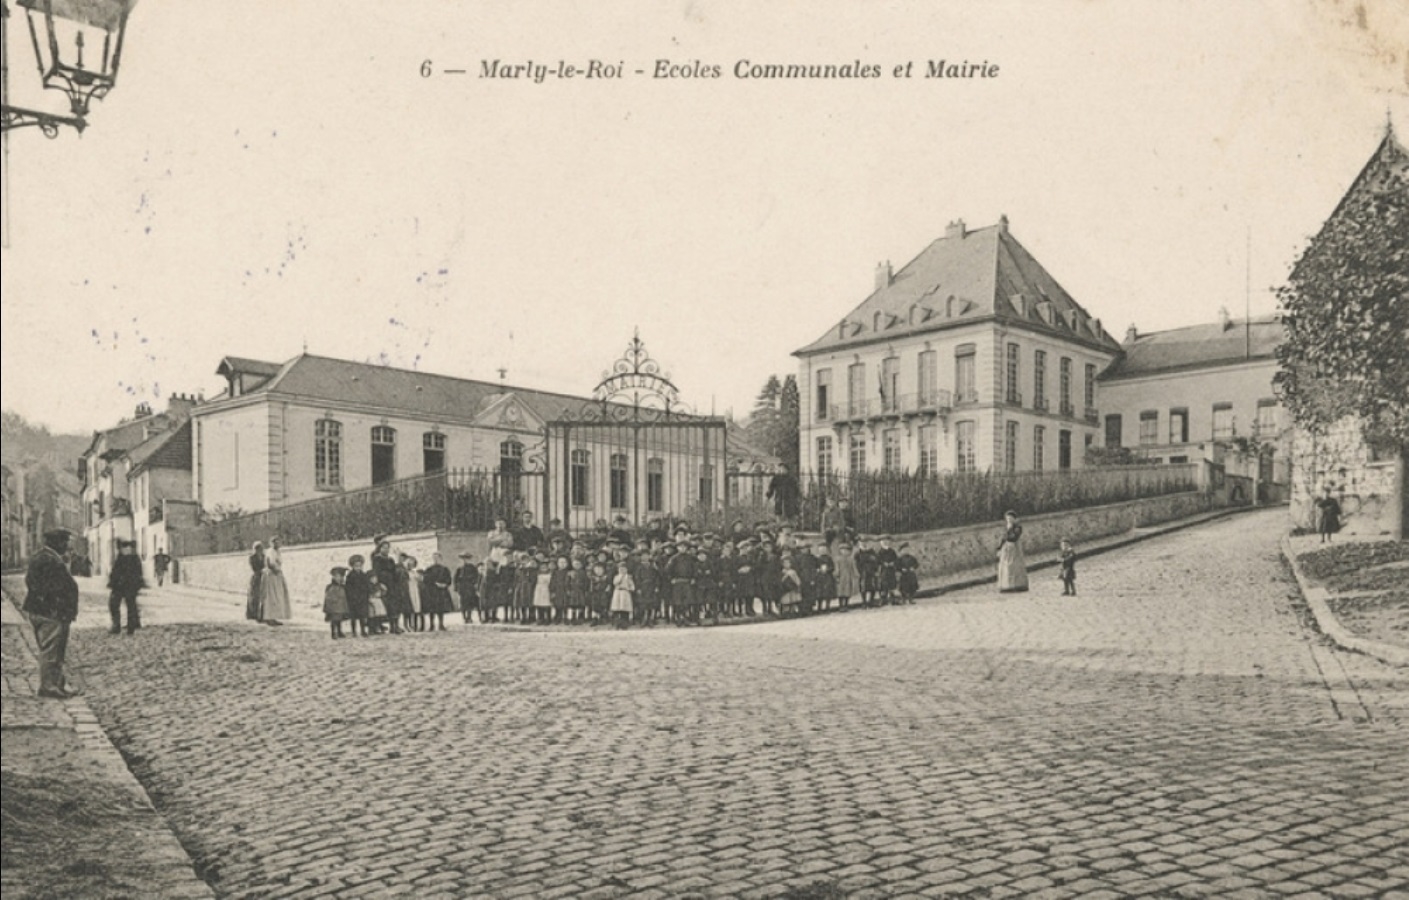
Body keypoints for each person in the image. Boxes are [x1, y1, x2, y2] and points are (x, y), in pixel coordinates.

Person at [24, 529, 80, 699]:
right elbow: (43, 586)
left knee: (56, 650)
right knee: (51, 650)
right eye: (64, 542)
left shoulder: (47, 557)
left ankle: (57, 684)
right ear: (56, 542)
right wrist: (54, 606)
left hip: (53, 612)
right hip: (50, 613)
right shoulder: (47, 559)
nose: (67, 545)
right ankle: (48, 686)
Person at [107, 540, 146, 635]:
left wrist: (112, 581)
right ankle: (131, 627)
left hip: (120, 585)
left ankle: (116, 626)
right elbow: (139, 572)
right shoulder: (135, 557)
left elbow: (116, 571)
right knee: (131, 605)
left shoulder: (121, 557)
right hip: (130, 585)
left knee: (114, 604)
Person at [261, 537, 293, 625]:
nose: (278, 544)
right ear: (271, 543)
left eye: (279, 542)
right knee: (271, 596)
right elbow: (270, 563)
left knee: (277, 596)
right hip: (271, 575)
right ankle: (269, 617)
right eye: (275, 542)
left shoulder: (278, 552)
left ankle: (274, 617)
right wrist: (276, 571)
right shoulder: (270, 551)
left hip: (277, 575)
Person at [997, 510, 1029, 593]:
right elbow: (1003, 538)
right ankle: (1006, 585)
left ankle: (1017, 585)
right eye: (1007, 519)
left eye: (1011, 518)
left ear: (1015, 519)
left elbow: (1014, 537)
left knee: (1015, 566)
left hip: (1015, 547)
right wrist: (999, 548)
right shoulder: (1006, 527)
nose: (1009, 520)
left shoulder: (1018, 527)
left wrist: (1010, 529)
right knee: (1005, 567)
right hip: (1006, 548)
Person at [421, 552, 454, 631]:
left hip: (441, 591)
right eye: (434, 558)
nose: (436, 559)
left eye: (437, 558)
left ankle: (441, 624)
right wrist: (434, 583)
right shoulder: (429, 569)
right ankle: (431, 625)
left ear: (440, 559)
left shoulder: (445, 569)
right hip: (432, 592)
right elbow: (425, 580)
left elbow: (449, 580)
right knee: (431, 609)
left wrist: (444, 584)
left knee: (441, 608)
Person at [345, 555, 372, 636]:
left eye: (360, 566)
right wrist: (351, 597)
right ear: (353, 566)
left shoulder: (363, 575)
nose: (358, 567)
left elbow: (367, 585)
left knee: (362, 616)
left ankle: (363, 630)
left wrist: (367, 594)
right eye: (356, 566)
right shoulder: (350, 576)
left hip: (362, 598)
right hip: (353, 599)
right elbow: (348, 588)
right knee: (353, 617)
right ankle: (354, 631)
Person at [454, 552, 481, 624]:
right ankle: (464, 617)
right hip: (462, 588)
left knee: (470, 603)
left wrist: (474, 585)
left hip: (470, 588)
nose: (465, 560)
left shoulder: (472, 568)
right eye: (463, 559)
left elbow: (476, 577)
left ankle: (469, 617)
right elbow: (456, 579)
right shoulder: (459, 569)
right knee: (463, 603)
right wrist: (456, 587)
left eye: (466, 559)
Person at [324, 567, 350, 639]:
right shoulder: (331, 587)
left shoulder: (343, 587)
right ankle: (333, 633)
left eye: (341, 576)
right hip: (334, 607)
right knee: (334, 620)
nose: (339, 578)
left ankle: (339, 631)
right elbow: (328, 597)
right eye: (337, 576)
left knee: (339, 619)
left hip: (341, 606)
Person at [246, 542, 266, 622]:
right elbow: (254, 567)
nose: (260, 550)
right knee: (255, 596)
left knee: (263, 596)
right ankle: (253, 614)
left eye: (261, 548)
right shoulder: (252, 557)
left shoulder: (264, 556)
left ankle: (262, 615)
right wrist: (261, 571)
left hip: (264, 577)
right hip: (256, 577)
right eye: (258, 548)